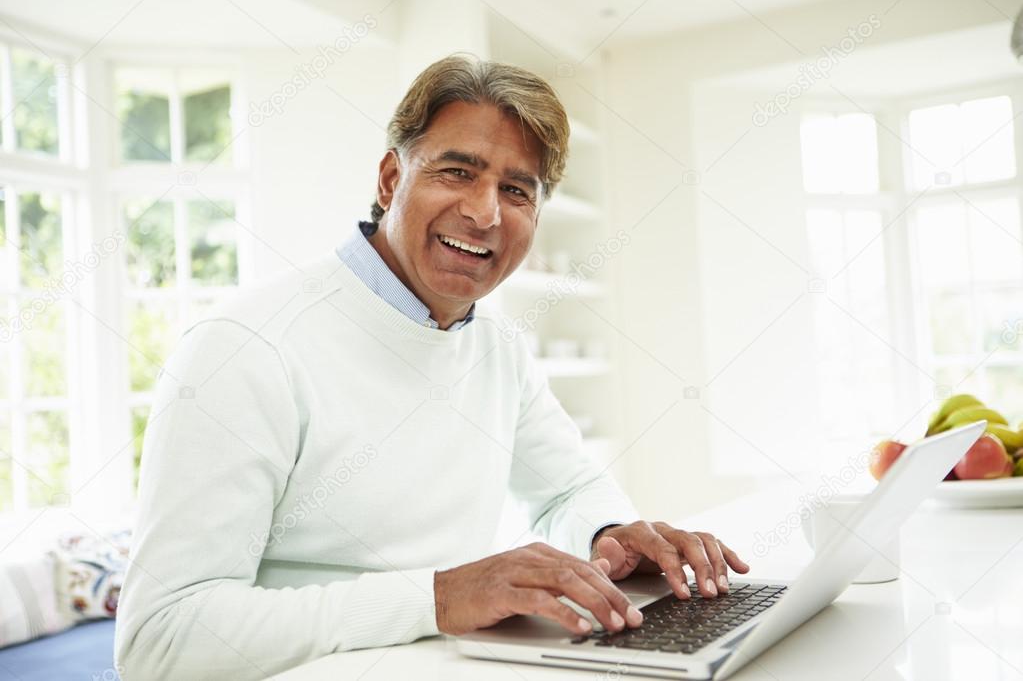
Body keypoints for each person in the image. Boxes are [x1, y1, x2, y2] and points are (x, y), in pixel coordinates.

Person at [114, 54, 749, 680]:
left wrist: (609, 534)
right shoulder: (245, 347)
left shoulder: (496, 345)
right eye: (457, 171)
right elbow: (159, 640)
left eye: (516, 191)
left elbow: (565, 490)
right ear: (391, 179)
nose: (485, 212)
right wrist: (437, 598)